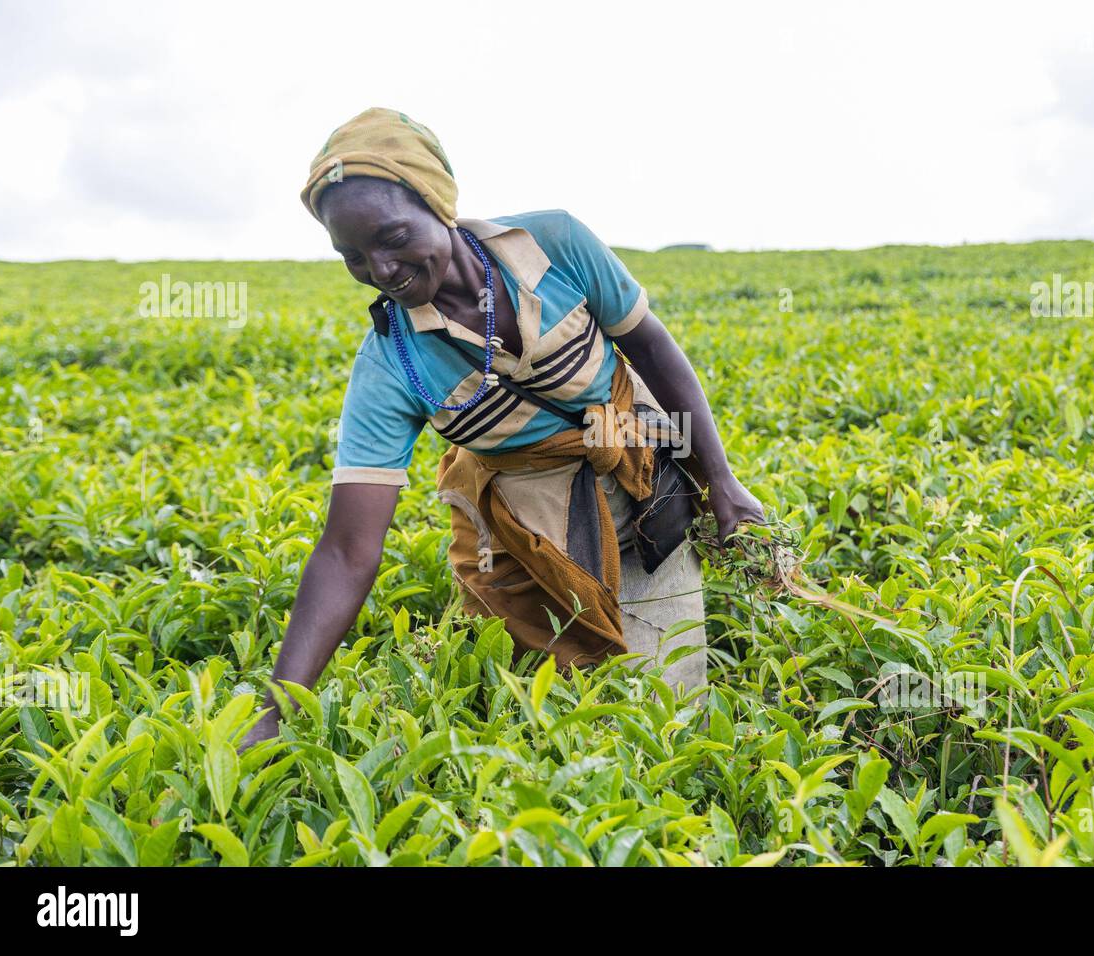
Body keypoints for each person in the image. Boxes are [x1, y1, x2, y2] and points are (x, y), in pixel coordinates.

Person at [241, 108, 762, 750]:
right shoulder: (390, 362)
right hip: (532, 556)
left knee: (670, 729)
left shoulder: (555, 245)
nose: (381, 269)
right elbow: (349, 549)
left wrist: (722, 481)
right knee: (561, 739)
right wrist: (277, 709)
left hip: (649, 510)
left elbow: (653, 350)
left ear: (440, 204)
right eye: (352, 256)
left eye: (394, 236)